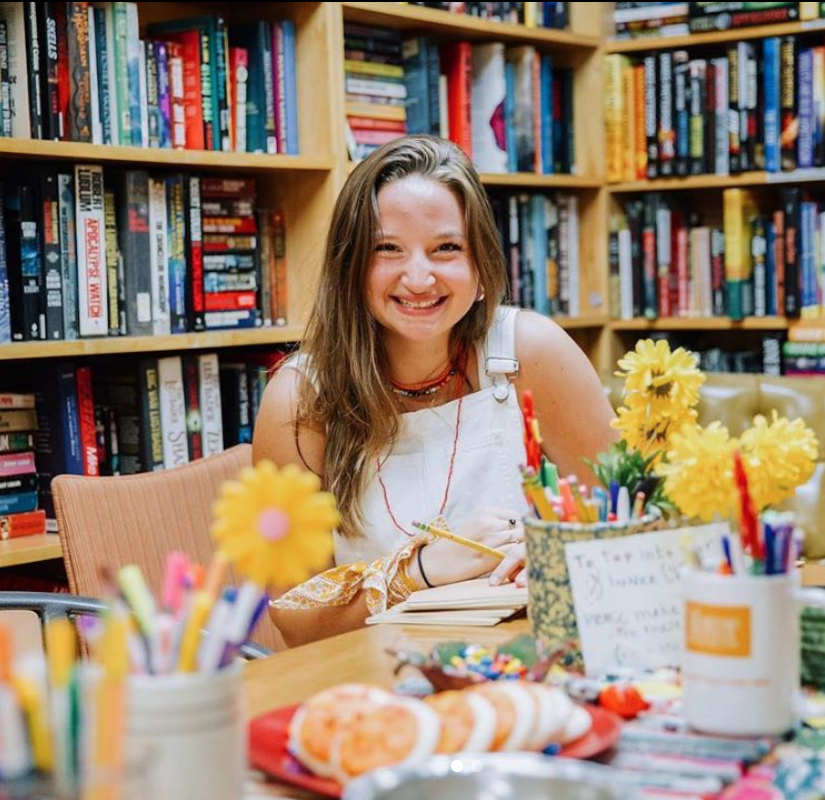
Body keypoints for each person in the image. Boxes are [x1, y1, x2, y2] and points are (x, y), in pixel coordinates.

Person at [254, 135, 616, 646]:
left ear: (481, 267)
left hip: (529, 663)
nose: (419, 277)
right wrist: (417, 571)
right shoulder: (298, 399)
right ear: (350, 267)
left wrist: (554, 561)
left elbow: (632, 532)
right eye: (388, 249)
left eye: (446, 248)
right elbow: (295, 619)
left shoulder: (534, 353)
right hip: (375, 685)